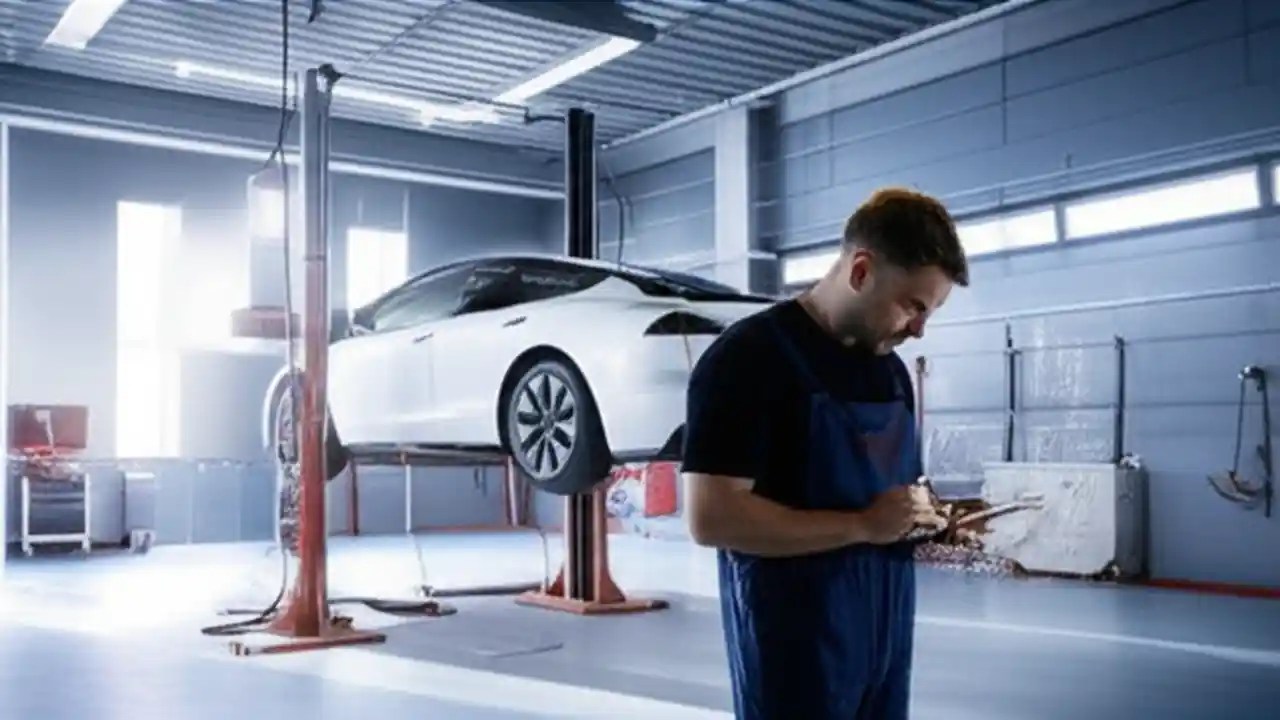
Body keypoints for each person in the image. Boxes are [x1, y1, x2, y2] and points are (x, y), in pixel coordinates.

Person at [681, 187, 969, 720]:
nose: (920, 329)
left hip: (884, 639)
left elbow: (895, 497)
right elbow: (711, 517)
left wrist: (933, 520)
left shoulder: (890, 371)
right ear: (861, 271)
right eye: (913, 306)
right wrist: (863, 524)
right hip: (795, 648)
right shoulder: (749, 359)